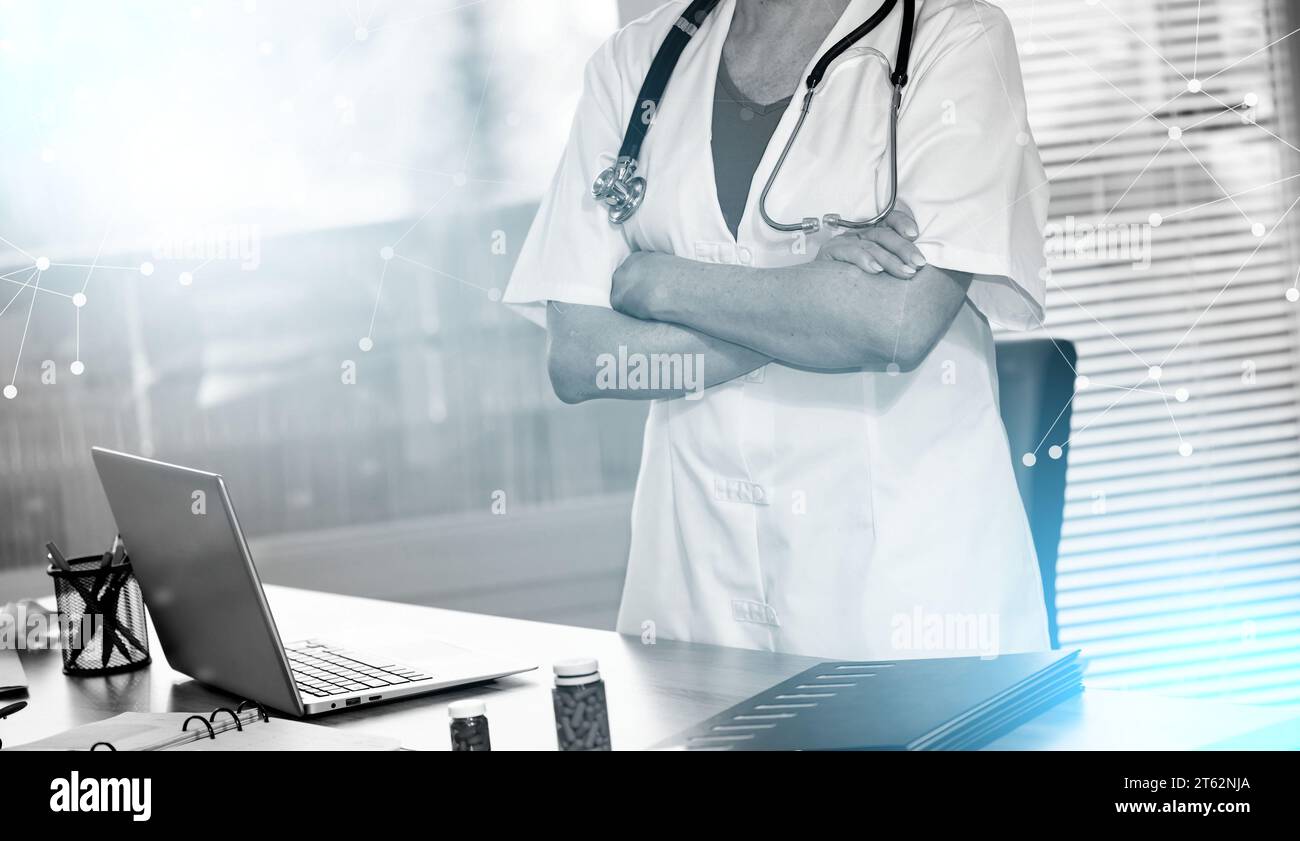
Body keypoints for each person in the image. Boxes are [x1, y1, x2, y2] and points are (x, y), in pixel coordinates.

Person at [503, 0, 1051, 660]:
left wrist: (661, 284)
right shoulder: (634, 62)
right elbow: (580, 356)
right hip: (695, 600)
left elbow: (896, 322)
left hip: (903, 603)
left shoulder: (955, 38)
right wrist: (814, 310)